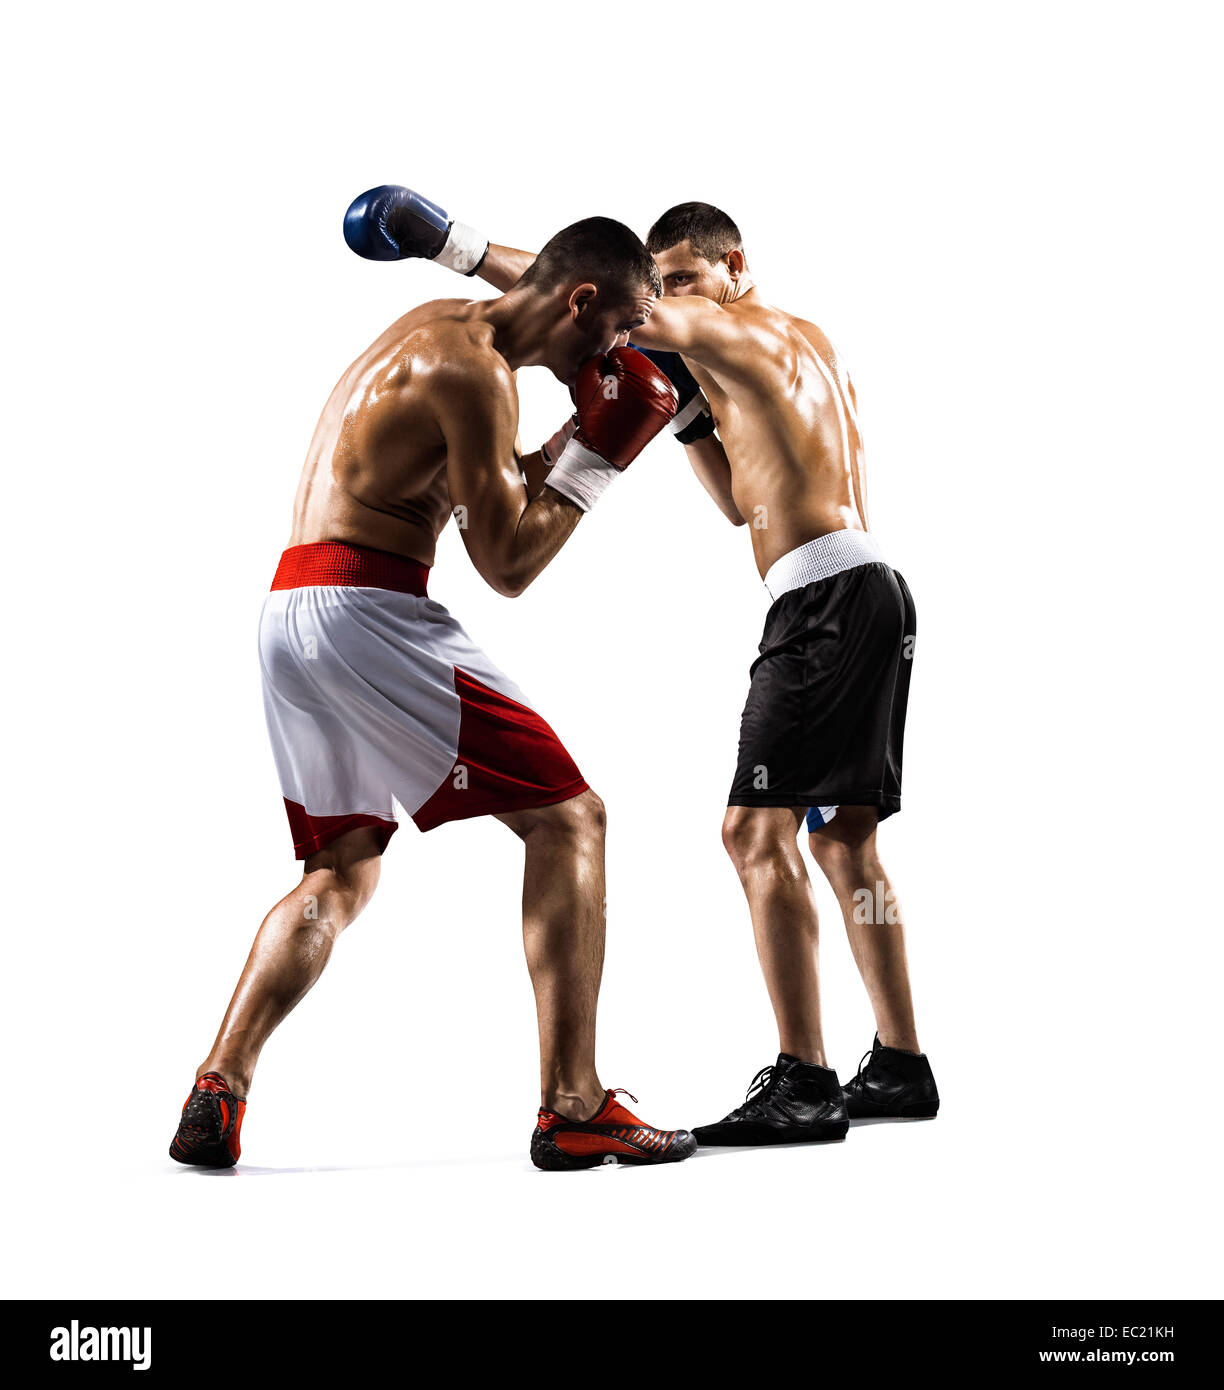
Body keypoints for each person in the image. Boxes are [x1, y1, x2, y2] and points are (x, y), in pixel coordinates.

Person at [380, 187, 939, 1144]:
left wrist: (452, 243)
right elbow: (735, 501)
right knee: (845, 843)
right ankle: (900, 1063)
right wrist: (681, 419)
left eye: (681, 281)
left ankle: (805, 1081)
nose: (666, 304)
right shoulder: (800, 353)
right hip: (873, 593)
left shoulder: (736, 326)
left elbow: (601, 301)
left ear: (736, 267)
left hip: (822, 605)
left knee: (751, 834)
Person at [170, 200, 697, 1172]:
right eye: (621, 329)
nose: (622, 353)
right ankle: (573, 1102)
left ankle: (220, 1080)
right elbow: (505, 561)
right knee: (573, 820)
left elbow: (463, 485)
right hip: (367, 611)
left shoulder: (429, 333)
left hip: (289, 615)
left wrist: (557, 447)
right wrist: (598, 459)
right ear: (581, 302)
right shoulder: (480, 375)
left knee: (339, 872)